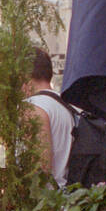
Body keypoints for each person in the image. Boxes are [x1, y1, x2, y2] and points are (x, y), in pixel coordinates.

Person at [23, 48, 74, 189]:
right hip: (67, 198)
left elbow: (40, 167)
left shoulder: (32, 106)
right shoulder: (67, 106)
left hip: (44, 205)